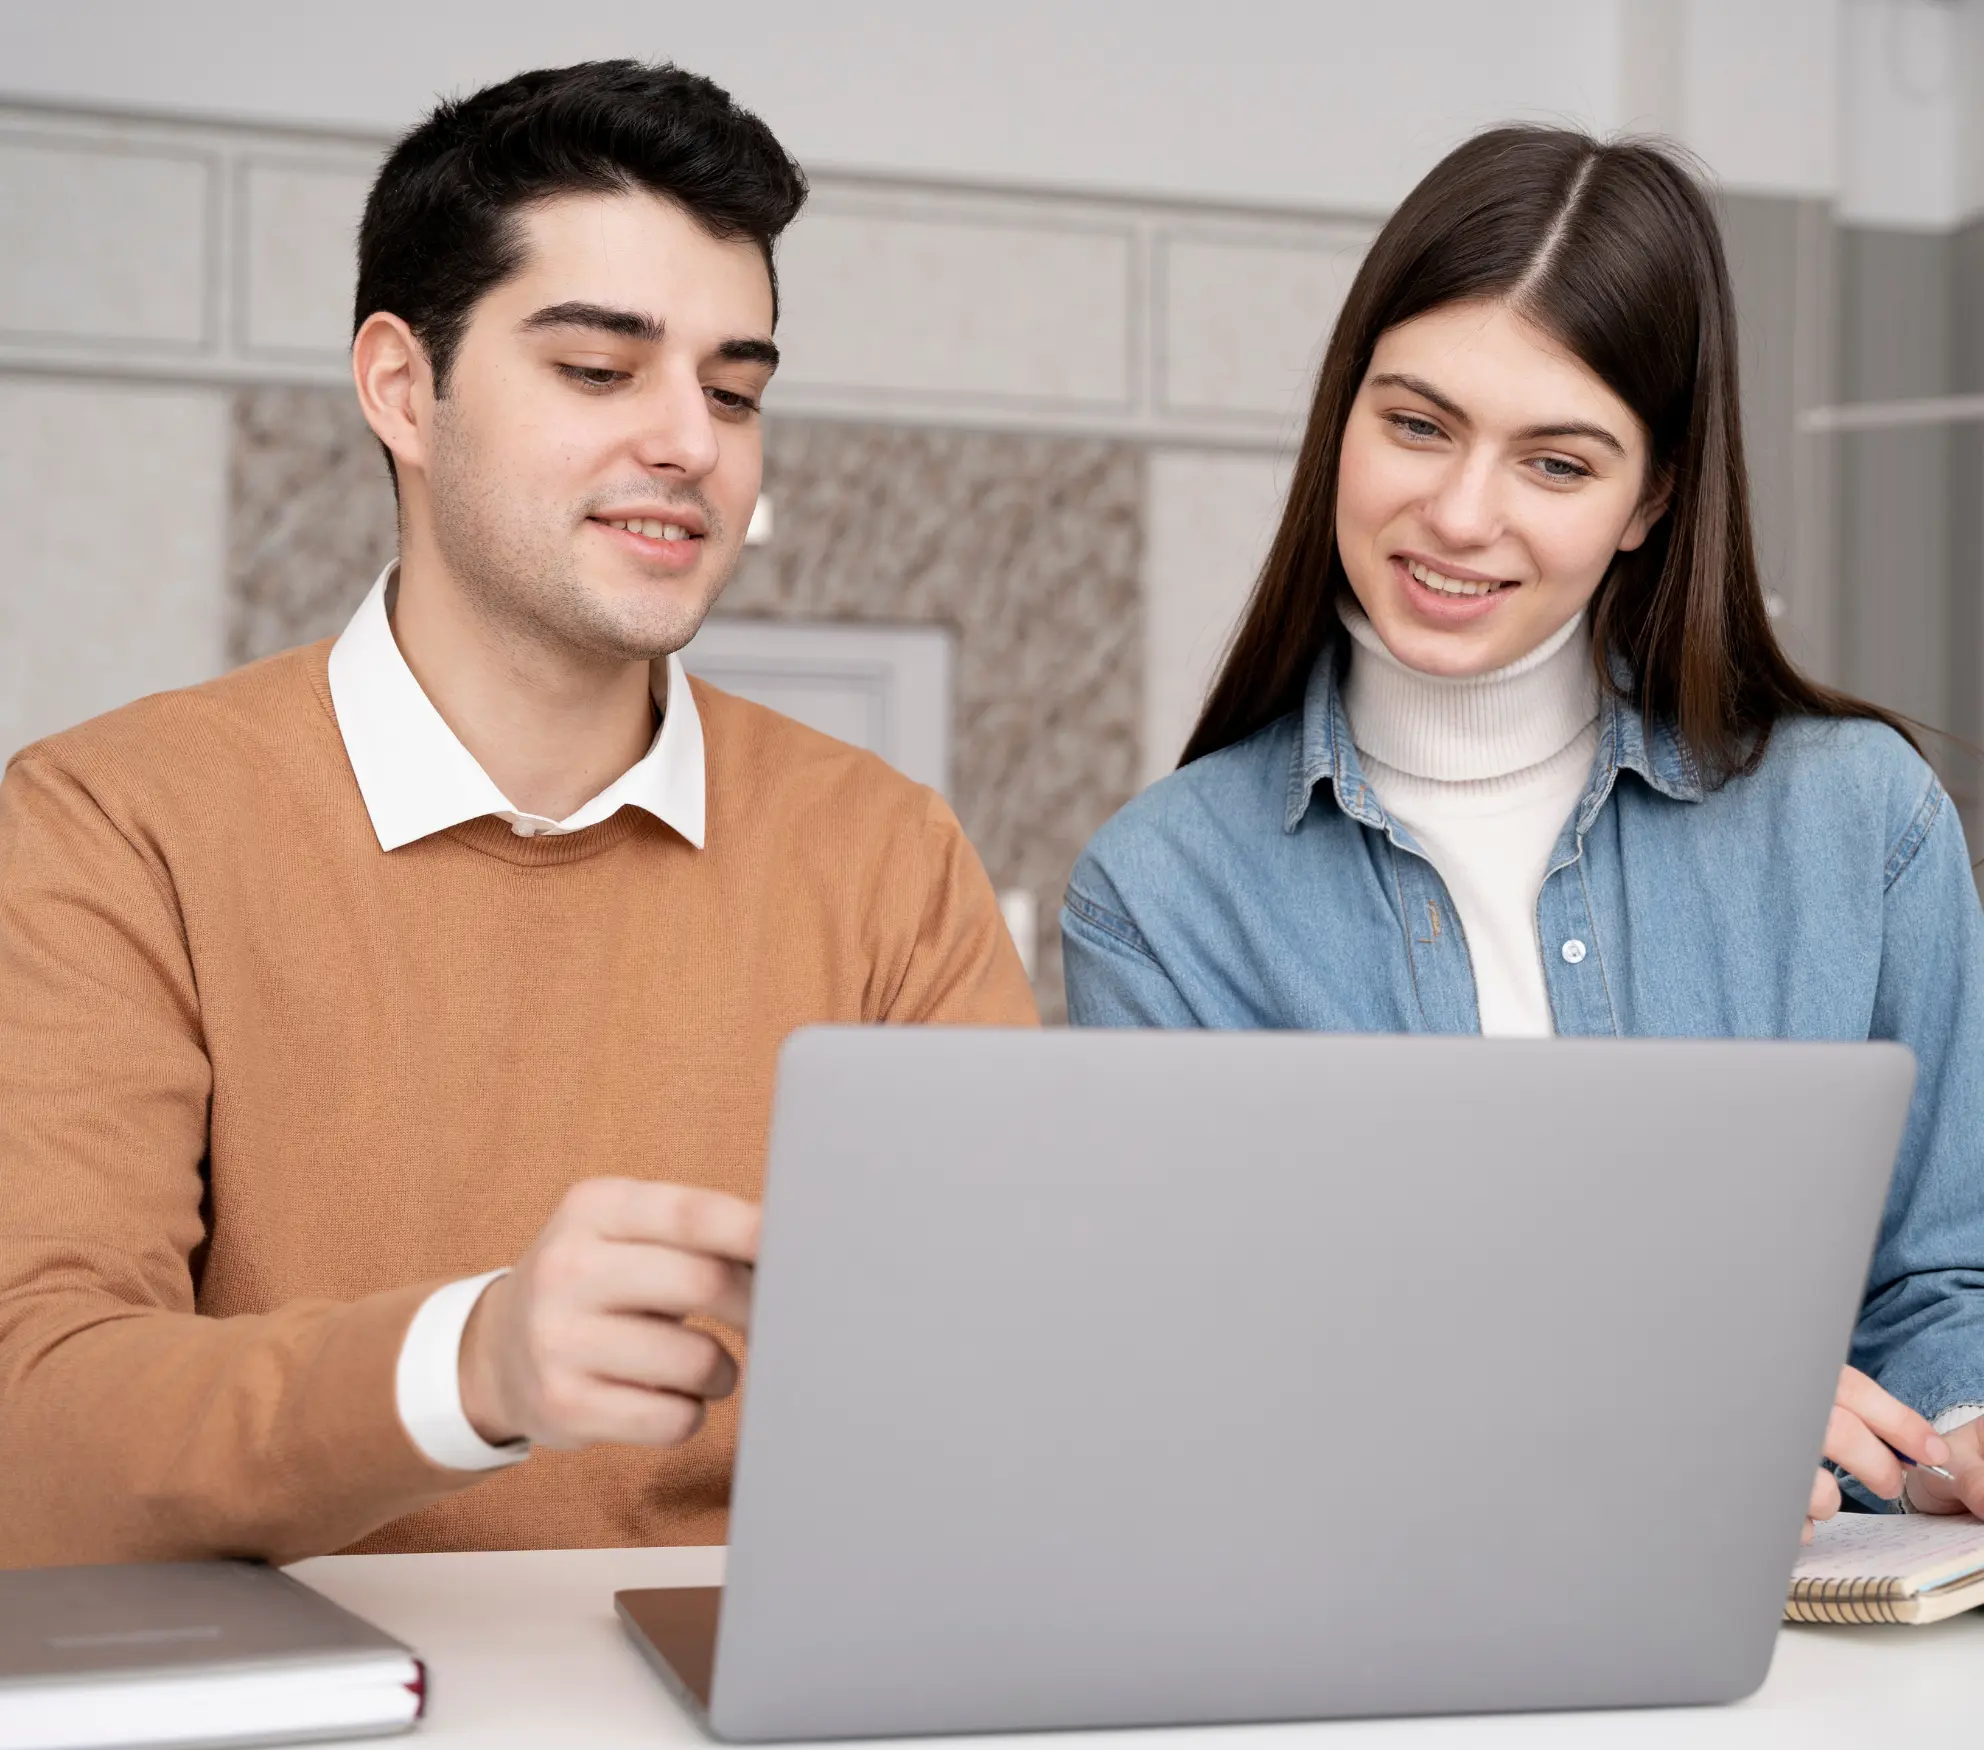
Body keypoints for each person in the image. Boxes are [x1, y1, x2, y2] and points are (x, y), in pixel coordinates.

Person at [0, 61, 1034, 1567]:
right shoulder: (113, 822)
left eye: (734, 390)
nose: (692, 442)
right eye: (601, 372)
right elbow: (36, 1423)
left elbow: (1015, 1390)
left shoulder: (884, 856)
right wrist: (470, 1364)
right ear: (402, 389)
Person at [1062, 126, 1984, 1529]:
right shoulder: (1161, 898)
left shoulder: (1866, 828)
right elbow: (1202, 1382)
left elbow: (1943, 1281)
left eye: (1557, 464)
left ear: (1651, 498)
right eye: (1417, 425)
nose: (1459, 514)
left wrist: (1966, 1430)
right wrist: (1658, 1397)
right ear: (1342, 415)